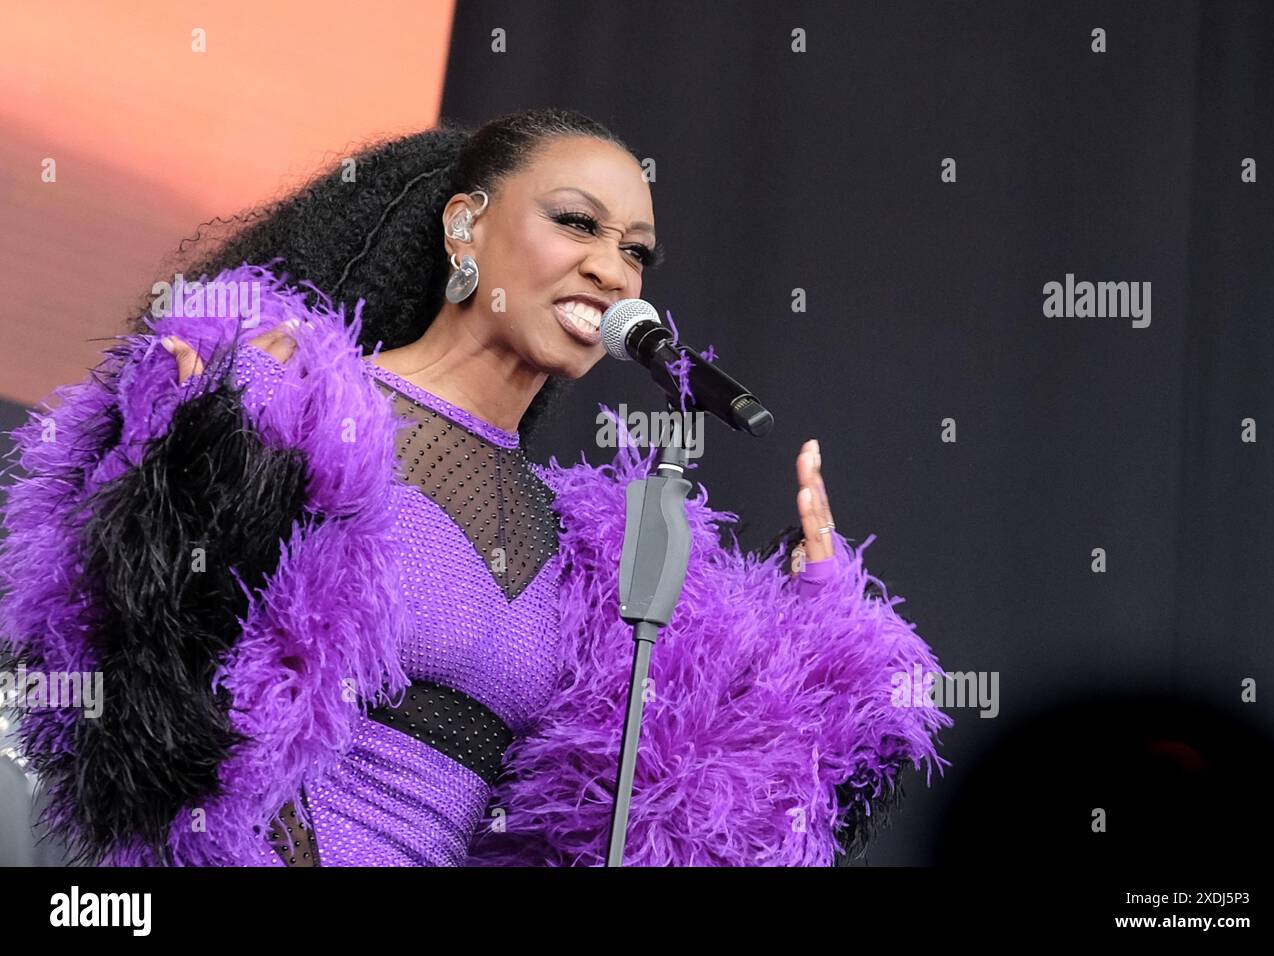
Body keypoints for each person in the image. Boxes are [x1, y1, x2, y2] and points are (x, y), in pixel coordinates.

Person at [0, 107, 951, 867]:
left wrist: (821, 623)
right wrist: (203, 441)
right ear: (466, 225)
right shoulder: (303, 406)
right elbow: (131, 648)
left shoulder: (583, 550)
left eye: (636, 252)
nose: (612, 268)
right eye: (577, 223)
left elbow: (688, 812)